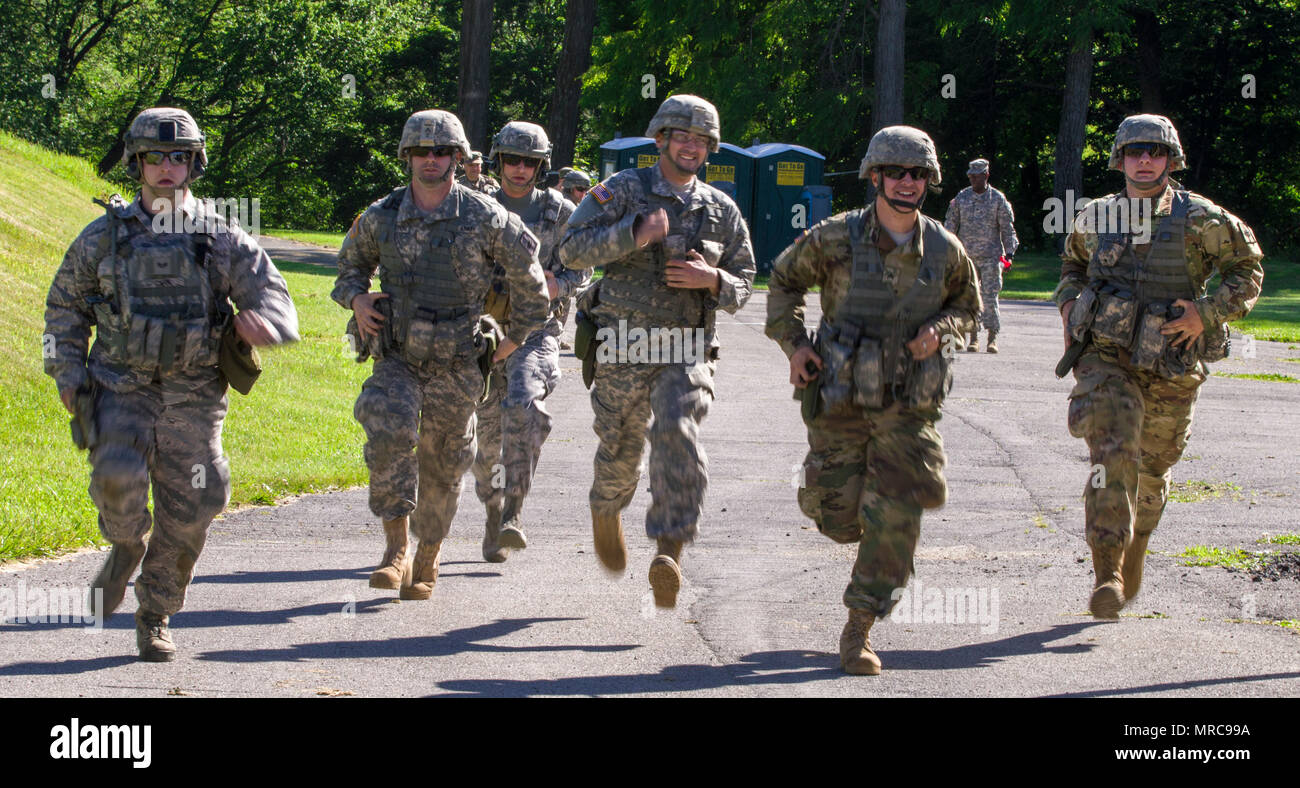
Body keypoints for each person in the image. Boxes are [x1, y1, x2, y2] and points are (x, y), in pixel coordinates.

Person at [44, 107, 299, 661]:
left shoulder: (220, 235)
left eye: (177, 157)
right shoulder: (102, 239)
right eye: (154, 157)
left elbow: (276, 297)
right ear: (137, 163)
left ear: (193, 164)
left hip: (194, 393)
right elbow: (63, 310)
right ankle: (126, 543)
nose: (165, 168)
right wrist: (67, 372)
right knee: (117, 480)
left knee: (198, 503)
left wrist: (265, 324)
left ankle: (155, 611)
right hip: (119, 388)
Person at [766, 126, 980, 674]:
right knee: (837, 515)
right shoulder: (836, 237)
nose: (908, 183)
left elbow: (967, 308)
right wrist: (793, 345)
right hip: (840, 396)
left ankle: (858, 627)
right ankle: (846, 513)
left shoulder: (945, 247)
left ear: (928, 183)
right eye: (897, 173)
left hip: (911, 402)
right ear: (876, 177)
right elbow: (783, 281)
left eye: (918, 175)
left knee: (899, 508)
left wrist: (943, 328)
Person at [334, 110, 548, 600]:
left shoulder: (486, 217)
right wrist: (358, 299)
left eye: (443, 152)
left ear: (458, 157)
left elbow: (534, 290)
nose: (432, 161)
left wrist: (510, 341)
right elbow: (349, 269)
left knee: (445, 463)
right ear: (407, 156)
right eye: (422, 152)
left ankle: (427, 555)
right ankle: (394, 551)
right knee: (385, 424)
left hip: (457, 362)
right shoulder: (380, 216)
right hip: (399, 355)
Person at [1056, 114, 1263, 618]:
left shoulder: (1202, 219)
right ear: (1120, 159)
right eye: (1134, 152)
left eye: (1155, 152)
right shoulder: (1097, 215)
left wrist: (1205, 312)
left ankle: (1137, 546)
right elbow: (1071, 268)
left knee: (1152, 468)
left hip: (1171, 362)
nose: (1144, 160)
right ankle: (1106, 572)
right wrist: (1069, 307)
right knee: (1113, 452)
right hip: (1106, 357)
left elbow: (1248, 269)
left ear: (1171, 160)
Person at [558, 94, 754, 608]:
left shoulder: (721, 208)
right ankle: (607, 506)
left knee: (678, 431)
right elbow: (571, 249)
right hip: (622, 344)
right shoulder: (623, 191)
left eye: (702, 140)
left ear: (710, 149)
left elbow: (746, 280)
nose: (692, 147)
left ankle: (669, 549)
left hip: (686, 346)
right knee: (622, 449)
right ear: (661, 139)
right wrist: (634, 233)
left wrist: (713, 280)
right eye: (682, 136)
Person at [470, 121, 587, 561]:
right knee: (486, 441)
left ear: (542, 166)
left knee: (526, 405)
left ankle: (513, 514)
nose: (520, 170)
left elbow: (585, 265)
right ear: (498, 160)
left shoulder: (559, 212)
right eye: (512, 160)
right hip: (486, 334)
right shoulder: (477, 207)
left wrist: (563, 284)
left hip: (537, 331)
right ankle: (493, 513)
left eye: (530, 163)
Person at [944, 158, 1017, 353]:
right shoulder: (961, 198)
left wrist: (1009, 253)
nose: (972, 179)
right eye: (970, 176)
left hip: (992, 257)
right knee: (969, 297)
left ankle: (992, 337)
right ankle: (973, 338)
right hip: (966, 257)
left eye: (976, 176)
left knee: (990, 297)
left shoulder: (997, 199)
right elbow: (950, 226)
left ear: (986, 176)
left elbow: (1007, 229)